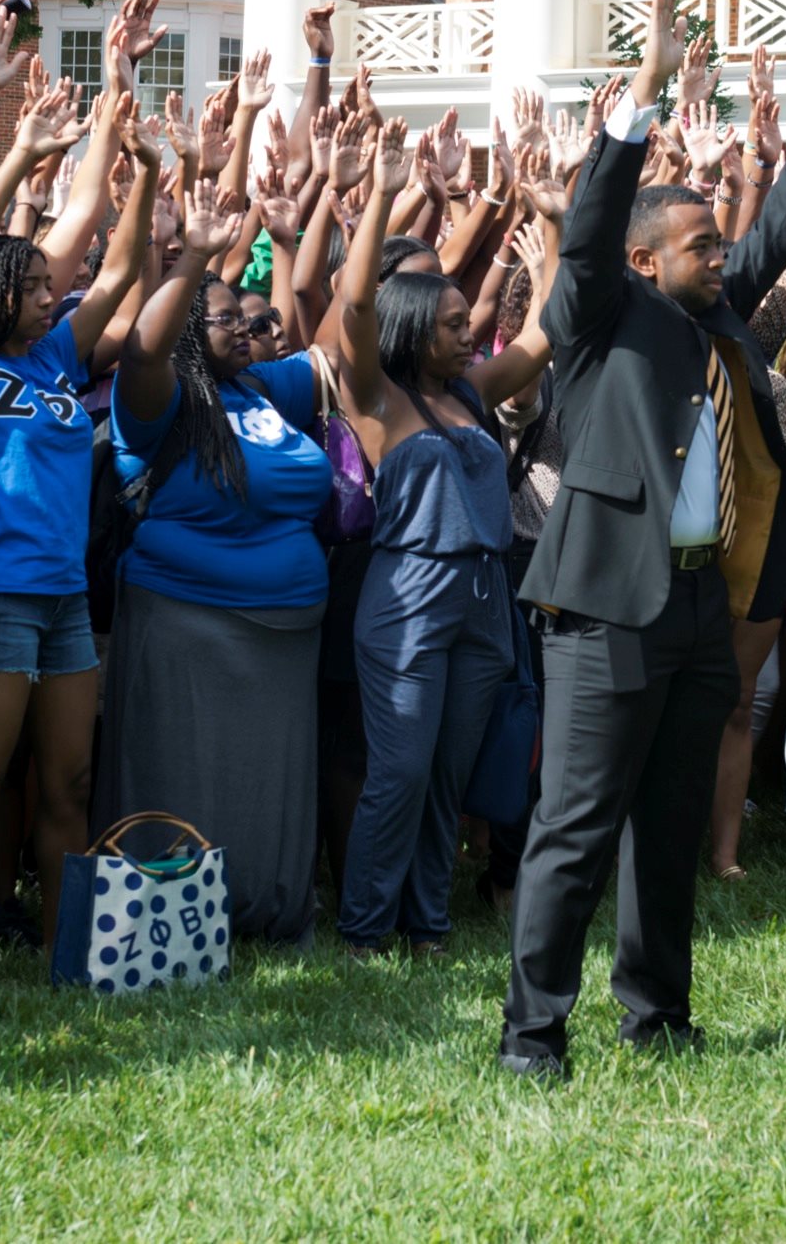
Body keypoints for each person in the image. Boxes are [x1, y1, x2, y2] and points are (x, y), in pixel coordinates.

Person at [496, 0, 786, 1078]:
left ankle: (658, 1015)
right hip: (606, 602)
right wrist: (641, 90)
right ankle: (533, 1032)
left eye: (717, 245)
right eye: (701, 245)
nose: (721, 255)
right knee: (576, 827)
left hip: (703, 602)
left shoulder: (711, 317)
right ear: (648, 261)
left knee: (670, 823)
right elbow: (592, 227)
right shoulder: (602, 313)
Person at [0, 74, 147, 984]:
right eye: (30, 286)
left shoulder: (59, 355)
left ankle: (68, 955)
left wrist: (131, 150)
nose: (51, 296)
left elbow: (120, 255)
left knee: (66, 784)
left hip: (63, 594)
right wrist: (19, 157)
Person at [331, 124, 555, 959]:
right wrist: (383, 195)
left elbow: (542, 337)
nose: (472, 331)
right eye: (456, 322)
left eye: (469, 319)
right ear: (417, 327)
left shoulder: (469, 392)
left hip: (485, 597)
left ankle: (426, 925)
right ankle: (364, 930)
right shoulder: (376, 398)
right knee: (399, 770)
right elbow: (353, 307)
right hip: (410, 596)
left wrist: (554, 240)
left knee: (447, 779)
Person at [100, 167, 335, 947]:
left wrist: (295, 235)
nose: (241, 327)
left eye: (245, 316)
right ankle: (165, 930)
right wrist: (194, 258)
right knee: (182, 777)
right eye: (222, 318)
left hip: (286, 633)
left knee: (267, 785)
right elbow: (140, 352)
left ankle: (267, 914)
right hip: (186, 622)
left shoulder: (269, 393)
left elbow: (342, 337)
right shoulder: (157, 406)